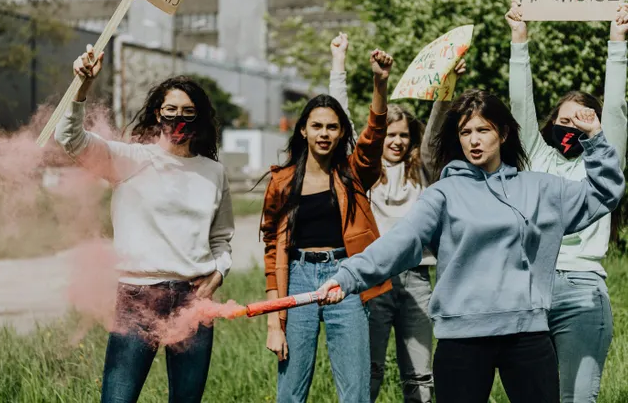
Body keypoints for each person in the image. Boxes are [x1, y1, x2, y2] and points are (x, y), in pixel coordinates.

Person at [317, 89, 625, 403]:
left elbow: (605, 192)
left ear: (503, 133)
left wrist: (595, 138)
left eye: (482, 130)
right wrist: (349, 276)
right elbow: (400, 242)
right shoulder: (443, 194)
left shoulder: (538, 188)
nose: (474, 140)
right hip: (462, 337)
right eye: (465, 132)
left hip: (526, 333)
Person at [55, 45, 234, 403]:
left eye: (187, 112)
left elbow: (222, 238)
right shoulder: (130, 159)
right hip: (138, 298)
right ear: (157, 114)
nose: (178, 119)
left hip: (192, 300)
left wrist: (220, 271)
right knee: (117, 399)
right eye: (170, 111)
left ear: (198, 118)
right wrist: (82, 85)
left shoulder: (214, 172)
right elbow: (70, 139)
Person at [328, 32, 465, 403]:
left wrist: (447, 83)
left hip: (418, 279)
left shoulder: (424, 170)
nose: (397, 141)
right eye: (390, 133)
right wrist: (338, 62)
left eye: (404, 135)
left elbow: (438, 128)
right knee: (369, 370)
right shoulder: (363, 170)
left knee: (421, 374)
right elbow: (342, 119)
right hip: (374, 277)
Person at [506, 0, 628, 403]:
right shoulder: (536, 157)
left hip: (583, 291)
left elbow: (615, 108)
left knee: (577, 398)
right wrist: (519, 40)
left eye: (582, 119)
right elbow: (521, 106)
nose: (572, 126)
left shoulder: (601, 163)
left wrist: (617, 42)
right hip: (529, 290)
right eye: (564, 120)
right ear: (551, 125)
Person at [261, 43, 394, 402]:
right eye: (316, 126)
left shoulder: (352, 173)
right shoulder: (282, 181)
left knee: (355, 391)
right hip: (299, 279)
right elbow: (273, 253)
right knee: (290, 392)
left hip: (345, 277)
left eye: (332, 127)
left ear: (340, 133)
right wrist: (275, 321)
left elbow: (373, 139)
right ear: (302, 130)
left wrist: (379, 85)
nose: (324, 133)